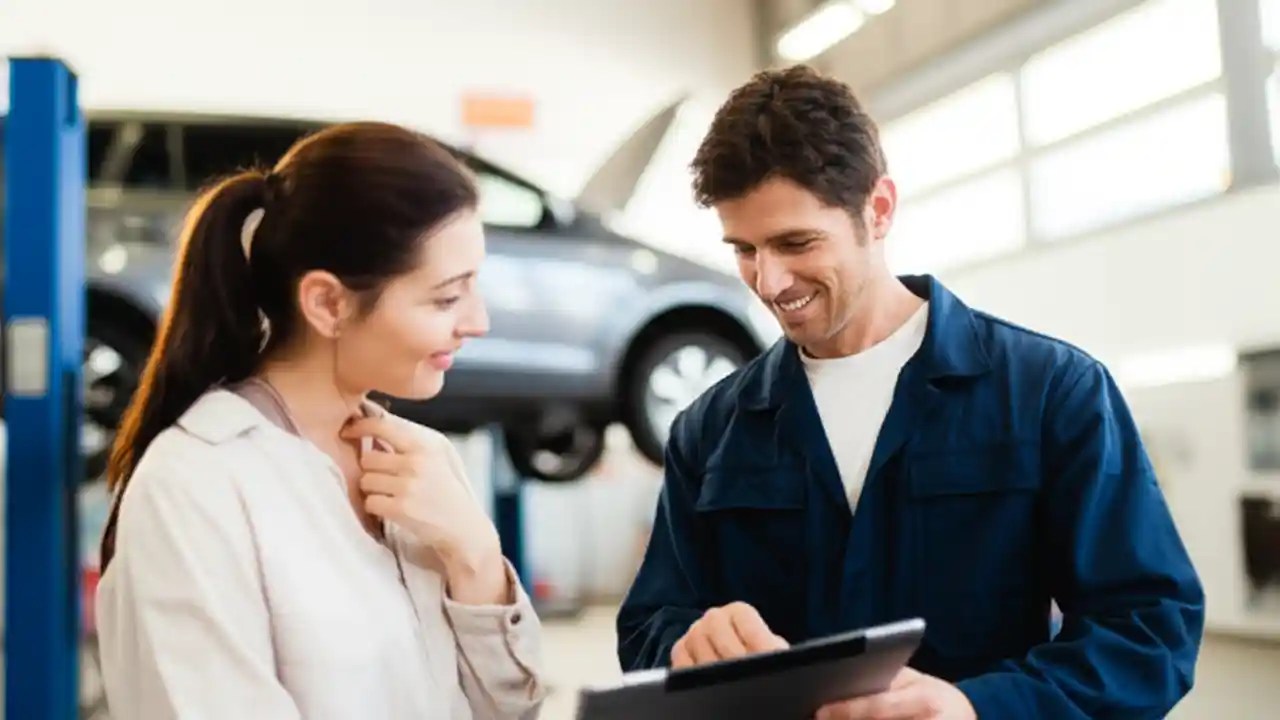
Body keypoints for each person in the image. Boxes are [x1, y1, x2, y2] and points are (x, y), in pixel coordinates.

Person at [616, 65, 1205, 719]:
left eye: (796, 243)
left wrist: (981, 708)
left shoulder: (1051, 394)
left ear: (880, 208)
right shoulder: (710, 429)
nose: (769, 280)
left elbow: (1149, 630)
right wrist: (686, 643)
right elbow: (649, 626)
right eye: (744, 249)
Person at [96, 122, 547, 720]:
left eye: (473, 288)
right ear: (328, 303)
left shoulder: (421, 460)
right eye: (445, 298)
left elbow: (512, 710)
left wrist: (476, 558)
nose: (478, 321)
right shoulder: (194, 485)